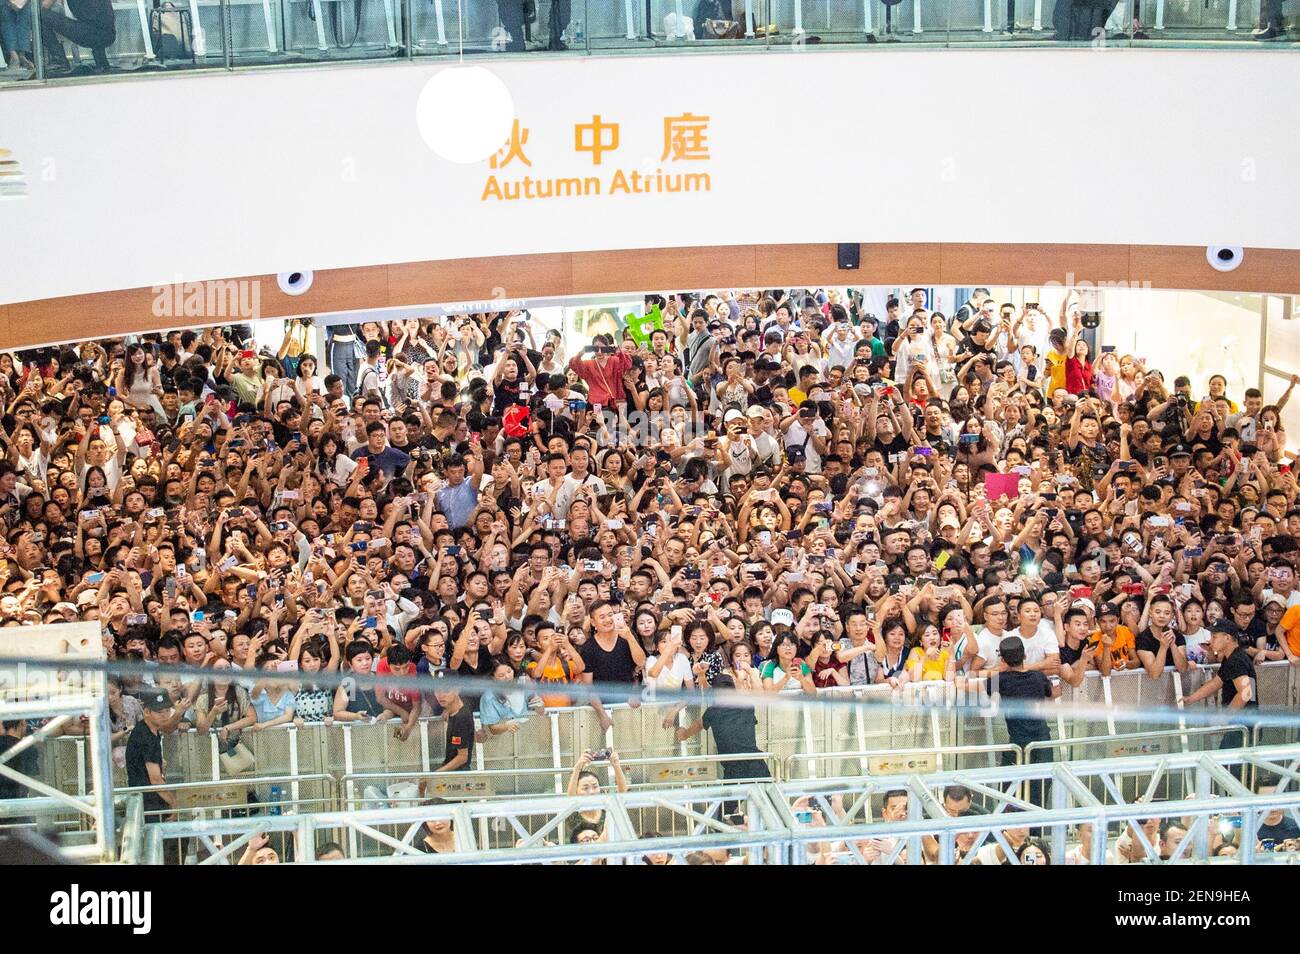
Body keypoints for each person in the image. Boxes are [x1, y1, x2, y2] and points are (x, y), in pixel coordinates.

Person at [124, 687, 176, 821]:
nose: (165, 715)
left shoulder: (147, 730)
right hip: (148, 804)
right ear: (147, 712)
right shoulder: (146, 737)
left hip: (146, 800)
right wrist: (173, 803)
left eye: (167, 710)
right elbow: (155, 779)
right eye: (159, 712)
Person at [38, 0, 115, 74]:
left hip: (93, 34)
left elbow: (44, 6)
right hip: (107, 34)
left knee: (40, 16)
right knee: (95, 22)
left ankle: (59, 61)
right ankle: (101, 62)